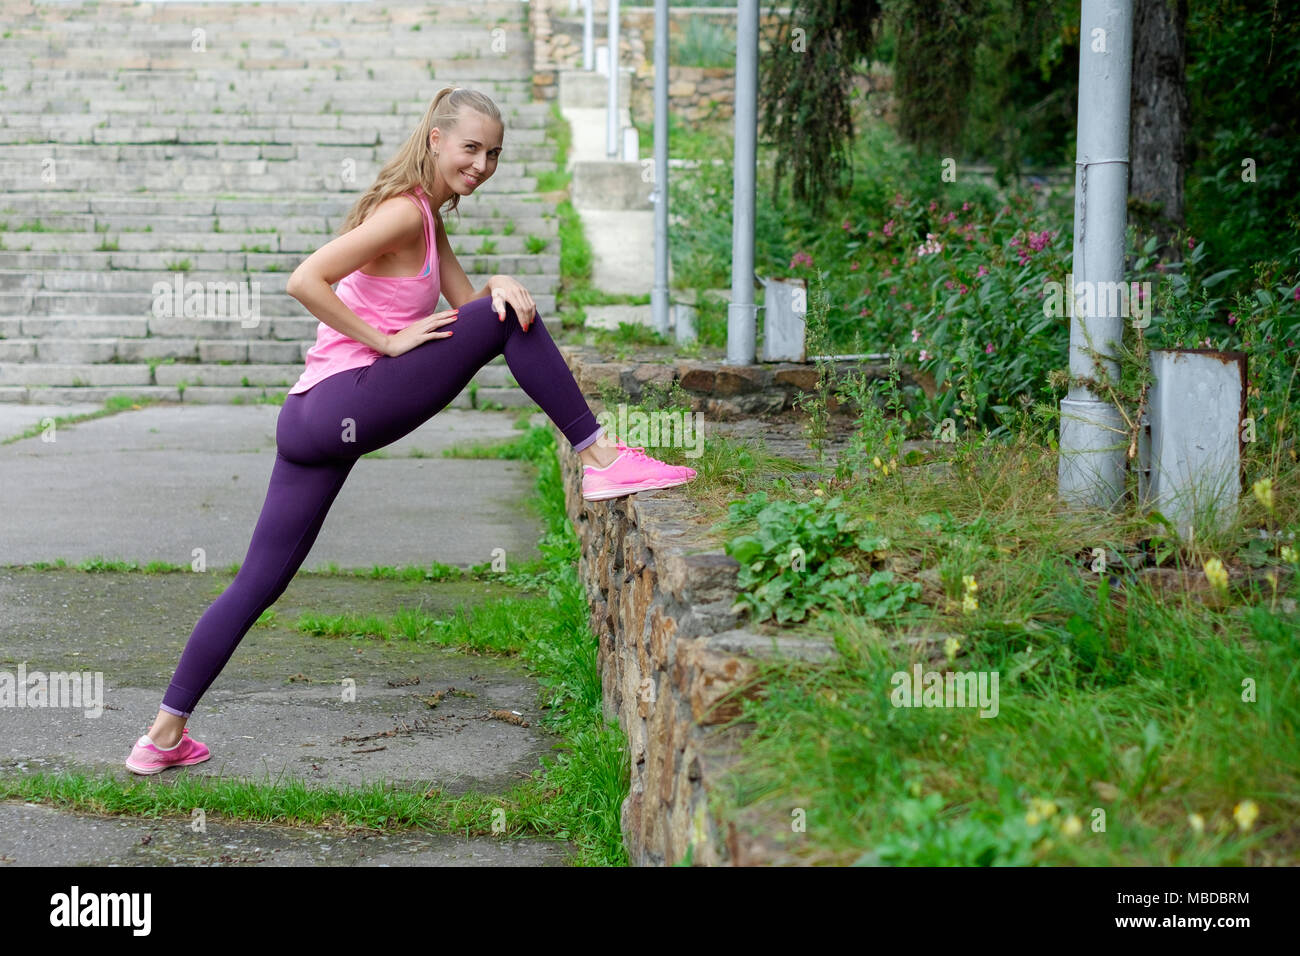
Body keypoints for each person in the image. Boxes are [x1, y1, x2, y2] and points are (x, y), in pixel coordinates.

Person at [125, 86, 696, 774]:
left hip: (309, 418)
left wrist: (499, 284)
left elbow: (471, 312)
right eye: (471, 148)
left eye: (494, 154)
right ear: (435, 140)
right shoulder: (401, 213)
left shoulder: (428, 218)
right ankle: (600, 453)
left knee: (258, 583)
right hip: (343, 400)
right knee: (509, 311)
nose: (482, 165)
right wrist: (388, 342)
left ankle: (162, 734)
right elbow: (306, 279)